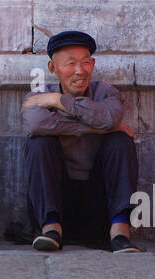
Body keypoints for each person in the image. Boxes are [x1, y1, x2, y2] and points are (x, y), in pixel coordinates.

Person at [21, 30, 140, 253]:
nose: (80, 71)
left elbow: (111, 118)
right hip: (56, 199)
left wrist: (60, 101)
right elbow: (34, 125)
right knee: (38, 143)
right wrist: (99, 128)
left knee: (120, 140)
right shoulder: (38, 97)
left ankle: (120, 233)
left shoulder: (106, 93)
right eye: (70, 64)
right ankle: (51, 230)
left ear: (92, 64)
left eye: (85, 63)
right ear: (52, 68)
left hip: (100, 200)